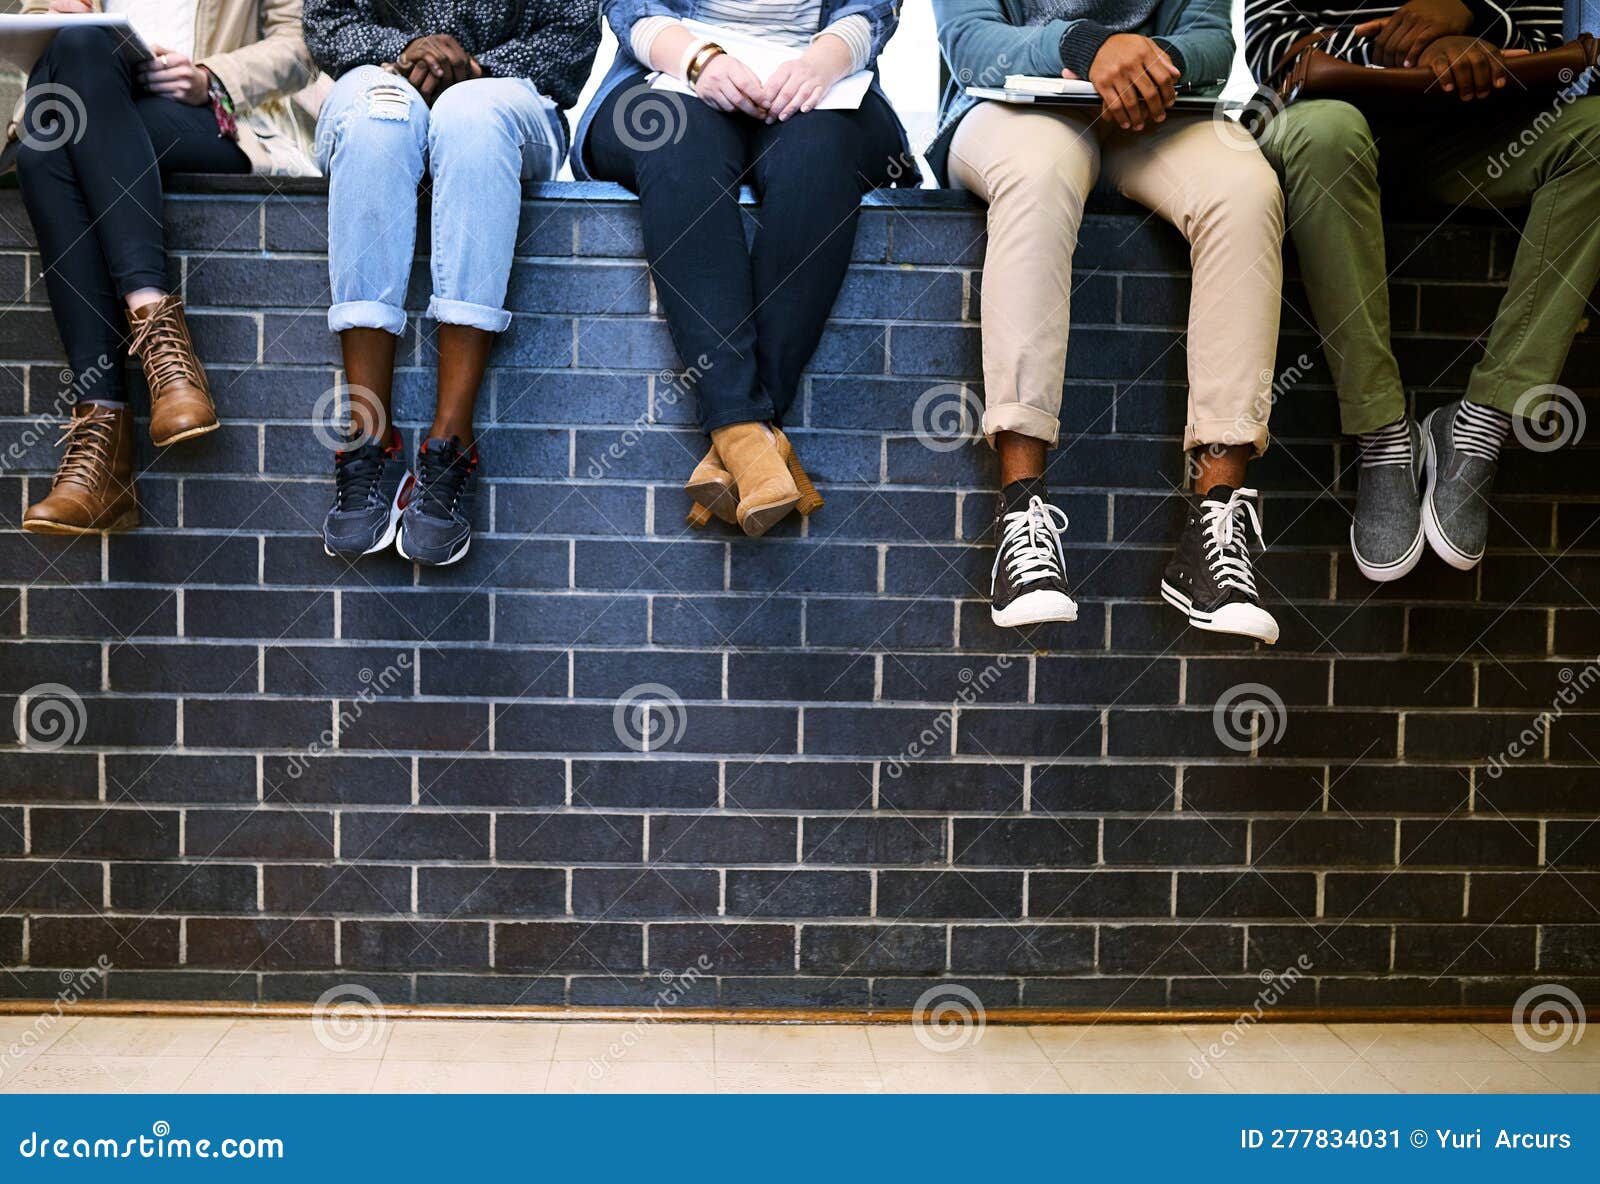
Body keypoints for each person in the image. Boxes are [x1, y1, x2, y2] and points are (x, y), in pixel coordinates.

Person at [930, 0, 1287, 642]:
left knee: (1247, 192)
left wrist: (1152, 65)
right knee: (1038, 175)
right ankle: (1021, 518)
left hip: (1152, 114)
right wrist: (1087, 48)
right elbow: (969, 40)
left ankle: (1214, 526)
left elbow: (1211, 40)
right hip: (1010, 107)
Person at [1245, 0, 1599, 579]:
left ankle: (1479, 427)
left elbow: (1548, 46)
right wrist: (1420, 53)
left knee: (1599, 133)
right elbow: (1271, 46)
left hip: (1481, 135)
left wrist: (1473, 20)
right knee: (1328, 134)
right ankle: (1384, 438)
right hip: (1333, 119)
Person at [574, 0, 914, 537]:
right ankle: (750, 437)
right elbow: (629, 7)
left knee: (819, 162)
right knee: (679, 146)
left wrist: (818, 67)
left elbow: (871, 11)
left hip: (820, 78)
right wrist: (698, 61)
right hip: (668, 71)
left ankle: (740, 439)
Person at [305, 0, 599, 566]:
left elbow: (570, 39)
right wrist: (404, 56)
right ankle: (371, 439)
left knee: (470, 117)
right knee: (377, 120)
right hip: (382, 76)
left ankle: (451, 442)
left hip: (511, 93)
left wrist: (473, 68)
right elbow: (326, 19)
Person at [10, 0, 319, 535]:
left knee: (46, 147)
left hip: (208, 117)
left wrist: (212, 77)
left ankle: (102, 455)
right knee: (79, 52)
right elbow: (32, 19)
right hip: (92, 97)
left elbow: (302, 43)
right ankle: (164, 352)